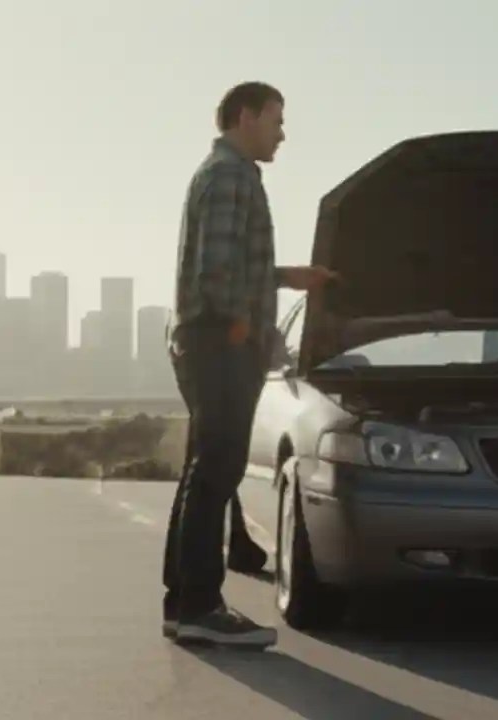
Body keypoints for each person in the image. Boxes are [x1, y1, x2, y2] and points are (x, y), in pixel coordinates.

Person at [162, 81, 336, 648]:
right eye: (276, 120)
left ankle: (182, 602)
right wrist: (242, 332)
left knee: (203, 471)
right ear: (246, 116)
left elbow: (230, 262)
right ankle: (200, 606)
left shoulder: (226, 174)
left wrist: (287, 278)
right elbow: (216, 274)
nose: (282, 133)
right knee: (217, 472)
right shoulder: (231, 176)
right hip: (219, 343)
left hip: (208, 339)